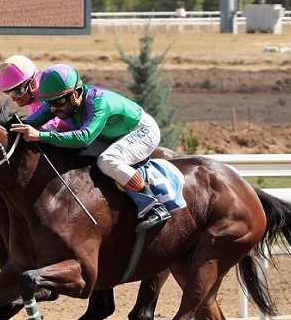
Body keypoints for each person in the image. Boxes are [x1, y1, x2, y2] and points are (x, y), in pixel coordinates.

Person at [9, 63, 171, 232]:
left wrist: (42, 135)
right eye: (48, 103)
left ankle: (153, 205)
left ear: (76, 94)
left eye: (58, 102)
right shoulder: (59, 102)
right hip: (111, 136)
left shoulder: (98, 101)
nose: (53, 108)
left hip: (142, 131)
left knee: (107, 161)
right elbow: (28, 123)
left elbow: (84, 138)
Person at [0, 55, 64, 131]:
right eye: (8, 93)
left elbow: (48, 129)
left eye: (18, 91)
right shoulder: (31, 94)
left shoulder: (45, 96)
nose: (13, 99)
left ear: (32, 84)